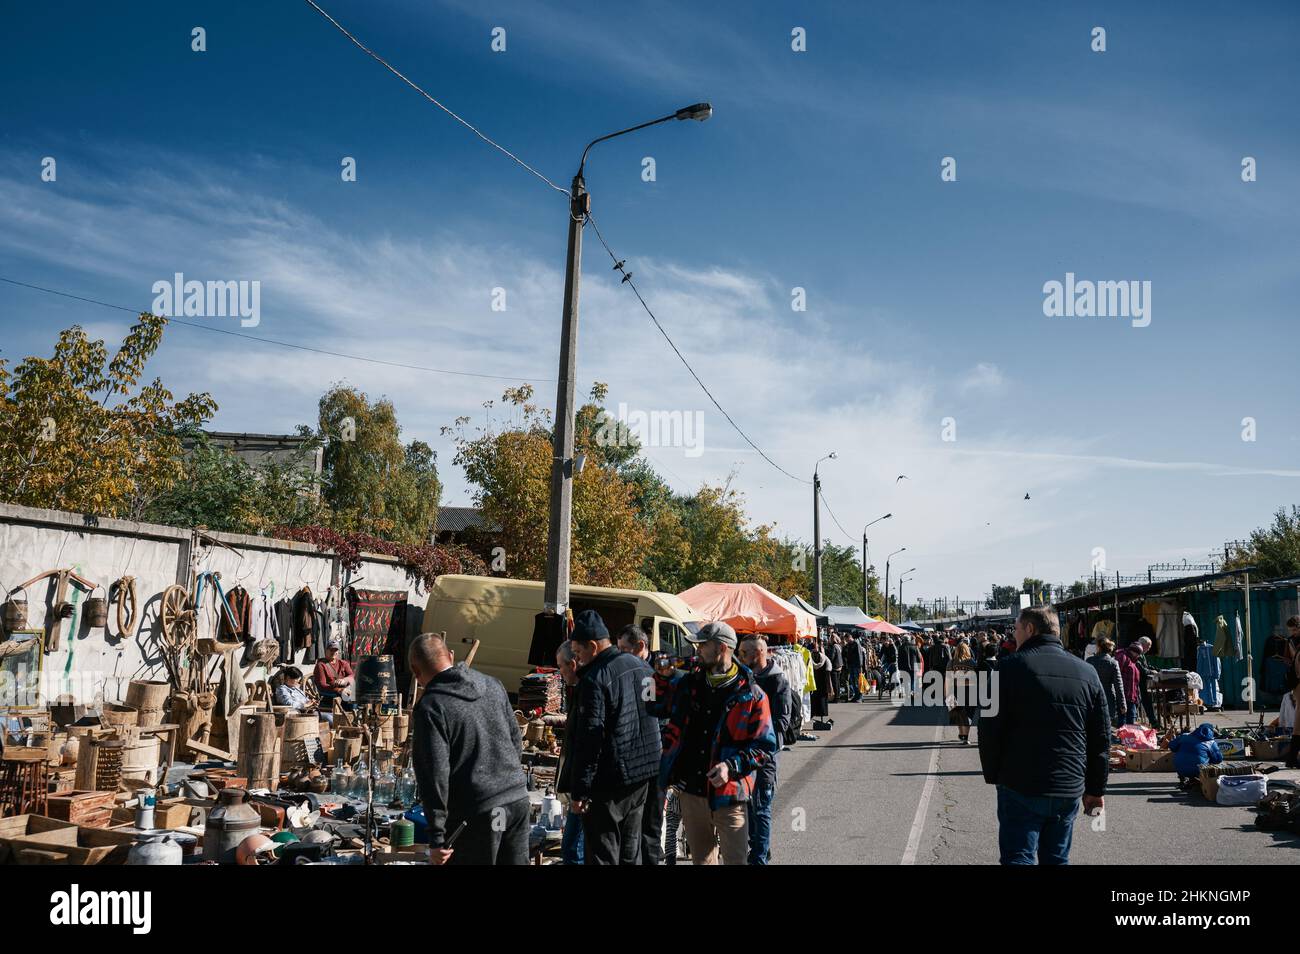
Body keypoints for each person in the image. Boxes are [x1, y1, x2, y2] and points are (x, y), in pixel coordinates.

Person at [978, 606, 1109, 866]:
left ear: (1030, 629)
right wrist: (1095, 788)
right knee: (1057, 860)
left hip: (1019, 784)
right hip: (1068, 785)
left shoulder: (1006, 669)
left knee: (1019, 858)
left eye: (1016, 629)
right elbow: (1101, 738)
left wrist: (994, 774)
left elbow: (988, 728)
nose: (1014, 636)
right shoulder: (1087, 673)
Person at [659, 621, 778, 865]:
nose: (697, 650)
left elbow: (765, 747)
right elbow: (655, 706)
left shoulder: (753, 695)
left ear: (722, 648)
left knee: (735, 861)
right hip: (691, 792)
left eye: (703, 645)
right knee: (702, 862)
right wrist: (660, 675)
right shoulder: (689, 685)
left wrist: (731, 766)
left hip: (730, 796)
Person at [408, 632, 530, 865]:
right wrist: (505, 779)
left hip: (481, 812)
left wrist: (436, 837)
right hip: (515, 801)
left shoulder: (432, 706)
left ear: (415, 672)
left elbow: (434, 775)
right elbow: (516, 742)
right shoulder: (492, 684)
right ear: (451, 655)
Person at [567, 611, 661, 865]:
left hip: (610, 781)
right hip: (642, 774)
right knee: (631, 853)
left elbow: (590, 740)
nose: (576, 659)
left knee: (602, 853)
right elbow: (654, 718)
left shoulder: (595, 679)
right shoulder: (642, 666)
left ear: (594, 646)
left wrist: (580, 791)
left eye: (577, 652)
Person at [615, 623, 666, 866]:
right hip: (636, 759)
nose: (620, 654)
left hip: (656, 756)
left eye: (625, 649)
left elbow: (656, 714)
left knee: (650, 825)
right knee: (633, 825)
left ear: (641, 647)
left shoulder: (658, 672)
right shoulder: (629, 670)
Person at [737, 636, 790, 864]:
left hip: (765, 755)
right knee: (748, 807)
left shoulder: (777, 680)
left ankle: (759, 858)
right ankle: (759, 848)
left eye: (743, 653)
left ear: (757, 653)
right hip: (743, 755)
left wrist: (762, 743)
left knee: (761, 806)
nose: (739, 658)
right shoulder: (743, 677)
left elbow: (781, 723)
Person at [554, 640, 585, 865]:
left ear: (573, 664)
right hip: (579, 787)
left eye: (561, 667)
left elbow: (589, 746)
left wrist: (580, 793)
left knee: (573, 851)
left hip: (584, 791)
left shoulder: (589, 691)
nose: (560, 672)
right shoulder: (578, 689)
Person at [1169, 722, 1223, 789]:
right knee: (1204, 760)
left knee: (1183, 756)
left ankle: (1183, 780)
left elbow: (1171, 746)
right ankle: (1199, 779)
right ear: (1212, 732)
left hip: (1179, 768)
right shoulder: (1211, 743)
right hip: (1199, 770)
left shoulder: (1184, 736)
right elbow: (1218, 759)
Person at [312, 638, 354, 724]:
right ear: (326, 650)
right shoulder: (321, 665)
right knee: (351, 699)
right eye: (331, 649)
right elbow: (322, 686)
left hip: (345, 690)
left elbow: (352, 675)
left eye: (336, 650)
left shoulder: (343, 663)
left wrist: (344, 680)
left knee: (361, 696)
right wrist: (339, 690)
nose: (333, 652)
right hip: (329, 694)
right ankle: (349, 721)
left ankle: (355, 719)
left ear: (338, 651)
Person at [1086, 637, 1125, 729]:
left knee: (1094, 726)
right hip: (1108, 698)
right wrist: (1122, 704)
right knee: (1106, 727)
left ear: (1098, 647)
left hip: (1092, 697)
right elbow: (1118, 685)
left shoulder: (1089, 661)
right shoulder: (1113, 663)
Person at [946, 643, 976, 744]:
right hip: (970, 691)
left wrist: (946, 693)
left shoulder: (951, 662)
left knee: (958, 713)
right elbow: (975, 679)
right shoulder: (972, 662)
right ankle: (965, 736)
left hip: (955, 690)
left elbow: (948, 679)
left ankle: (962, 734)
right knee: (968, 714)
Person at [809, 639, 832, 721]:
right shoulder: (825, 659)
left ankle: (812, 713)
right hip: (823, 682)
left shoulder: (809, 657)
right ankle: (822, 713)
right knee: (822, 698)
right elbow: (829, 670)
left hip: (813, 681)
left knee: (814, 699)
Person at [842, 632, 863, 702]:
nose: (846, 641)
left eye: (846, 639)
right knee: (853, 682)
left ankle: (860, 697)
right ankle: (856, 695)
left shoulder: (856, 644)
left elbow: (860, 655)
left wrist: (860, 666)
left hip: (856, 665)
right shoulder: (849, 645)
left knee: (858, 681)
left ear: (849, 637)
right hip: (851, 665)